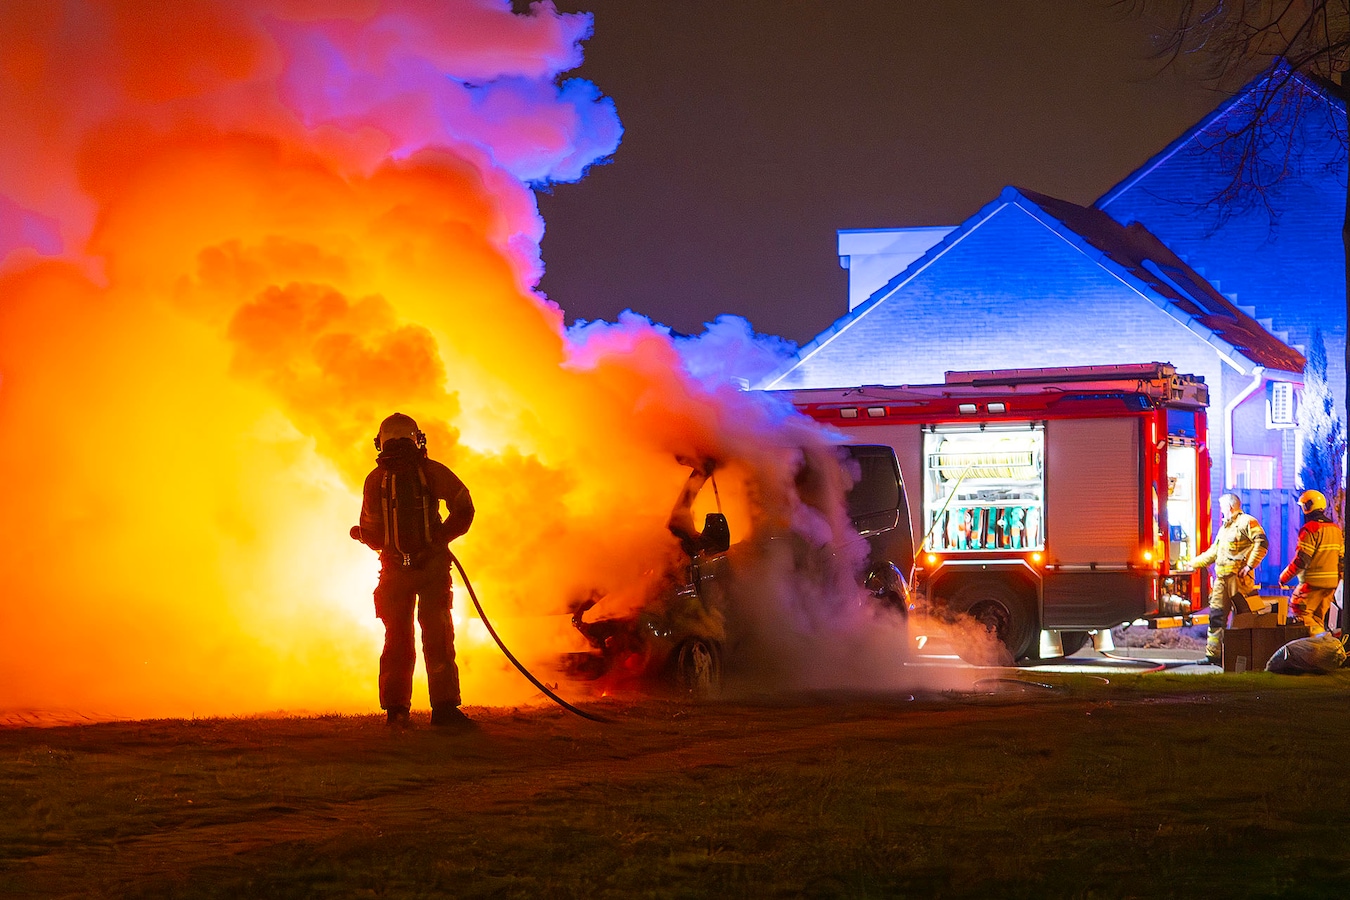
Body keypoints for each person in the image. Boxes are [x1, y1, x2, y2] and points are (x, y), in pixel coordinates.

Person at [352, 413, 475, 728]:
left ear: (381, 442)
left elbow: (373, 532)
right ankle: (445, 710)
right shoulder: (431, 472)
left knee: (396, 640)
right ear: (417, 439)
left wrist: (364, 536)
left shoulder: (375, 480)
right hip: (432, 568)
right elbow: (464, 506)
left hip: (393, 571)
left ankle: (396, 712)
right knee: (439, 636)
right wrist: (440, 538)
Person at [1184, 493, 1269, 665]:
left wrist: (1249, 566)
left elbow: (1262, 542)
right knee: (1216, 616)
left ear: (1230, 507)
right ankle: (1213, 655)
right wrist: (1191, 564)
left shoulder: (1246, 522)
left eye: (1222, 507)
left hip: (1239, 580)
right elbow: (1213, 552)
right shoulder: (1225, 528)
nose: (1220, 511)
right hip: (1221, 580)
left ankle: (1245, 656)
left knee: (1244, 618)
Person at [1278, 490, 1344, 635]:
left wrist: (1284, 577)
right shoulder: (1335, 529)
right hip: (1331, 585)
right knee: (1317, 619)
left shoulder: (1310, 529)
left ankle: (1324, 640)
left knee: (1299, 611)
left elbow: (1302, 560)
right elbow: (1342, 559)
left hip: (1311, 585)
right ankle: (1318, 652)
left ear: (1308, 507)